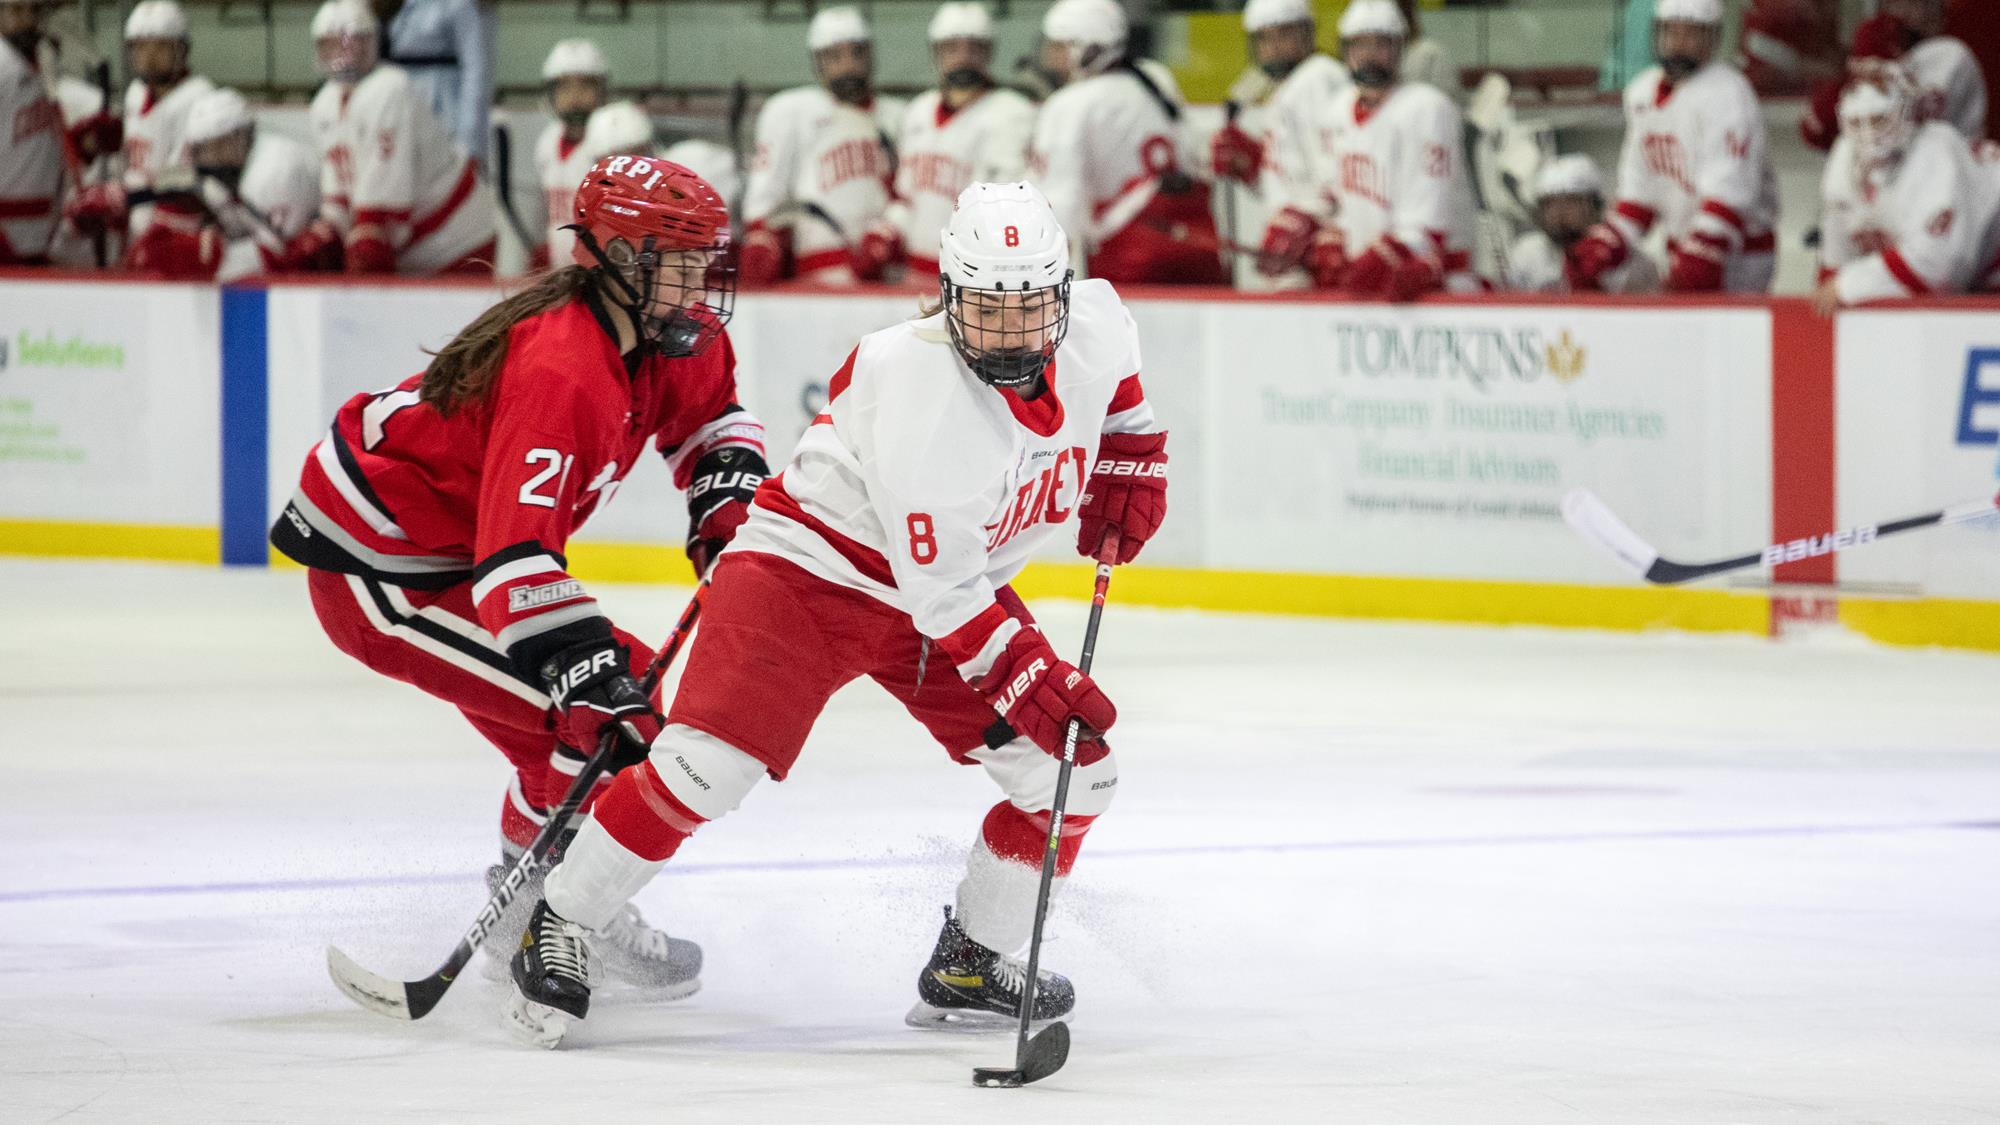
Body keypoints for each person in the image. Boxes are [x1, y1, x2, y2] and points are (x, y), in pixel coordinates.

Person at [502, 181, 1168, 1049]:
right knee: (704, 770)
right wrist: (1034, 675)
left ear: (1063, 293)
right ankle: (560, 917)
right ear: (949, 294)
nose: (1011, 334)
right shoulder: (917, 387)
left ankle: (972, 957)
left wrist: (1131, 456)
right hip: (807, 575)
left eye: (1031, 308)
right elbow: (948, 596)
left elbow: (1120, 391)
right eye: (988, 311)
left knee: (1074, 775)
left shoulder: (1100, 320)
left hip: (934, 588)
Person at [270, 154, 768, 996]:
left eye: (702, 258)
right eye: (679, 259)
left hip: (462, 552)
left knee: (606, 715)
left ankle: (529, 908)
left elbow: (712, 418)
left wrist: (723, 497)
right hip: (384, 570)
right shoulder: (562, 369)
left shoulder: (662, 331)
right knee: (607, 717)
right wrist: (579, 665)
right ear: (619, 257)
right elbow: (517, 561)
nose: (699, 280)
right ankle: (543, 913)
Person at [1253, 0, 1480, 300]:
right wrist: (1323, 237)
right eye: (1360, 45)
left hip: (1437, 283)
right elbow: (1333, 194)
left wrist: (1393, 253)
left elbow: (1430, 221)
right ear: (1346, 51)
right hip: (1366, 279)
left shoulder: (1428, 109)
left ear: (1400, 49)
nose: (1370, 55)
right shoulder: (1337, 112)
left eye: (1381, 44)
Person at [1567, 0, 1778, 294]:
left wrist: (1702, 251)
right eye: (1671, 33)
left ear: (1711, 38)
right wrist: (1607, 241)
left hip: (1739, 255)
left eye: (1690, 34)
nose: (1678, 44)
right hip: (1681, 249)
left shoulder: (1729, 94)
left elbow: (1730, 192)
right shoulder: (1641, 93)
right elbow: (1638, 192)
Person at [1030, 0, 1225, 285]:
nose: (1050, 58)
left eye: (1059, 47)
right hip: (1197, 239)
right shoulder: (1156, 77)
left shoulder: (1068, 105)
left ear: (1086, 49)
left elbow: (1060, 203)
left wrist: (1039, 273)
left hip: (1131, 254)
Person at [306, 0, 495, 274]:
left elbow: (377, 220)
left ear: (372, 42)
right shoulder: (324, 103)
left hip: (457, 240)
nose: (343, 56)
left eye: (352, 44)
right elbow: (340, 198)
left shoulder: (389, 89)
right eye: (332, 45)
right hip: (416, 244)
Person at [740, 5, 906, 286]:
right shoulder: (791, 111)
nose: (848, 64)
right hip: (818, 272)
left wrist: (888, 231)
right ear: (817, 61)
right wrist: (762, 235)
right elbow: (765, 191)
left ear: (870, 54)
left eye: (857, 52)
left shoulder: (899, 116)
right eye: (834, 56)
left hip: (887, 272)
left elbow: (910, 194)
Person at [1814, 66, 2000, 312]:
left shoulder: (1937, 152)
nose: (1869, 134)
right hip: (1976, 274)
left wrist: (1848, 286)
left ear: (1907, 114)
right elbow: (1836, 254)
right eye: (1857, 122)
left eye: (1879, 119)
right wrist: (1834, 283)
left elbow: (1938, 266)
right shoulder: (1844, 156)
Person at [872, 2, 1036, 281]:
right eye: (952, 48)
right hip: (913, 273)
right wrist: (886, 232)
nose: (964, 58)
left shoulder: (1013, 113)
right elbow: (907, 195)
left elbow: (1007, 210)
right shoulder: (918, 111)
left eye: (974, 48)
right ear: (935, 52)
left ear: (989, 52)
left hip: (975, 279)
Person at [1208, 0, 1348, 288]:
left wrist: (1305, 220)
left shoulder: (1318, 77)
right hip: (1298, 246)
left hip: (1319, 244)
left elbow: (1335, 173)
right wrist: (1250, 165)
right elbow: (1290, 179)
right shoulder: (1288, 87)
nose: (1272, 47)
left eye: (1283, 35)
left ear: (1307, 33)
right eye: (1264, 38)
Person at [63, 1, 216, 262]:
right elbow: (132, 163)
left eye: (160, 46)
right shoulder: (136, 94)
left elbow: (187, 176)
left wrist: (125, 195)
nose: (149, 56)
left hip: (178, 229)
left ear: (182, 49)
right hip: (135, 225)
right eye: (141, 46)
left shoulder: (199, 99)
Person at [121, 86, 327, 279]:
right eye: (202, 149)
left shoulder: (276, 169)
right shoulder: (229, 172)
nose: (209, 158)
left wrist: (208, 256)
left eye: (218, 146)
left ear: (242, 135)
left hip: (319, 269)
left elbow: (278, 257)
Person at [1504, 154, 1660, 293]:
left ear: (1596, 207)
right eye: (1550, 204)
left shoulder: (1631, 260)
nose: (1559, 213)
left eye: (1571, 202)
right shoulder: (1526, 253)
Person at [384, 0, 496, 167]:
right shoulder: (390, 6)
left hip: (443, 105)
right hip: (399, 104)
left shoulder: (457, 5)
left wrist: (469, 138)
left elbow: (475, 67)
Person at [533, 38, 609, 267]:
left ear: (602, 90)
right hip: (561, 270)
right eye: (564, 87)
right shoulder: (547, 142)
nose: (575, 96)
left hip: (603, 272)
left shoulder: (612, 143)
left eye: (585, 86)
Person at [0, 0, 64, 265]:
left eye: (34, 10)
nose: (27, 19)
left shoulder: (44, 63)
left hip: (41, 231)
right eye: (16, 10)